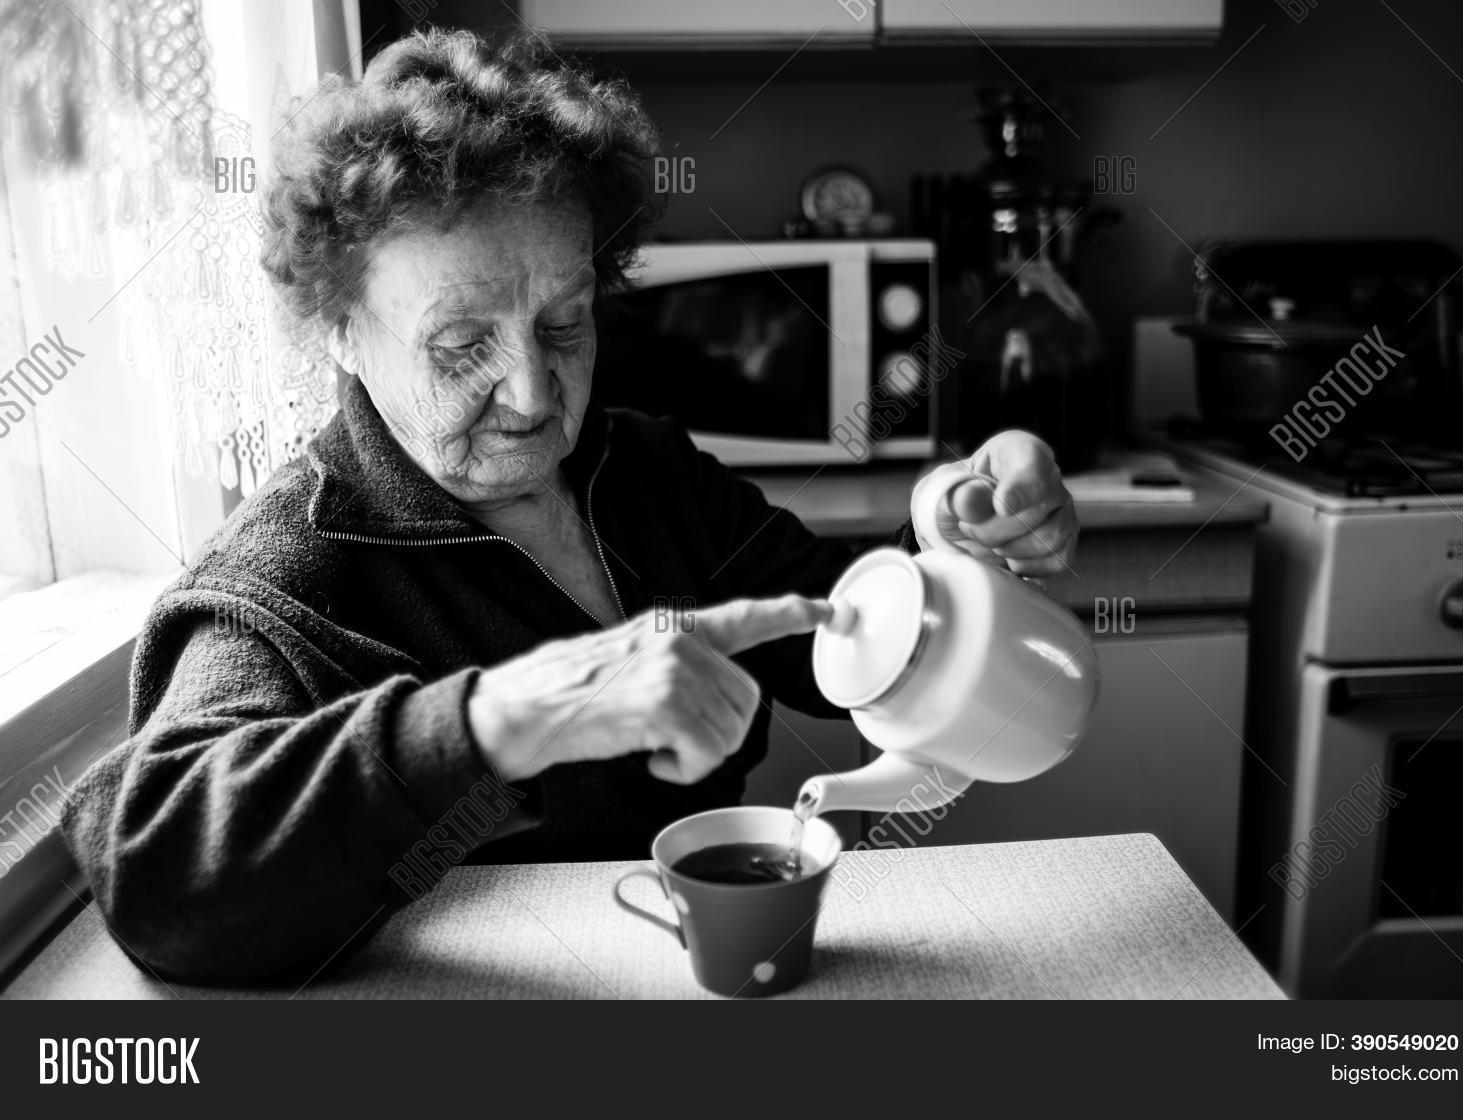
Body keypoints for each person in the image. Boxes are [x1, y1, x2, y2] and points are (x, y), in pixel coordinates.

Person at [61, 29, 1078, 984]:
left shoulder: (642, 473)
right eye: (462, 347)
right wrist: (515, 716)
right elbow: (156, 877)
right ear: (337, 330)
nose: (537, 395)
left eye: (566, 323)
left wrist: (961, 538)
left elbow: (844, 637)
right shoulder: (286, 576)